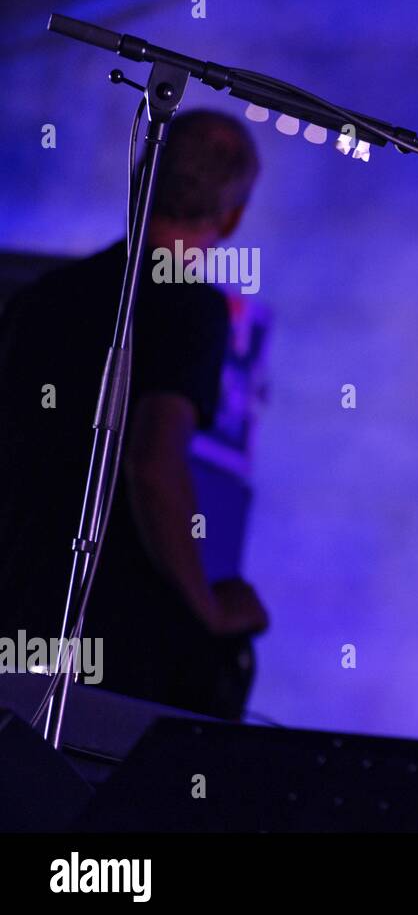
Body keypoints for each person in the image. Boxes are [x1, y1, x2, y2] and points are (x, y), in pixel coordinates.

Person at [0, 109, 268, 719]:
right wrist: (208, 608)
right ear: (231, 216)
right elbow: (151, 461)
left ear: (141, 177)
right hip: (115, 646)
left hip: (16, 624)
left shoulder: (42, 298)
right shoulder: (192, 308)